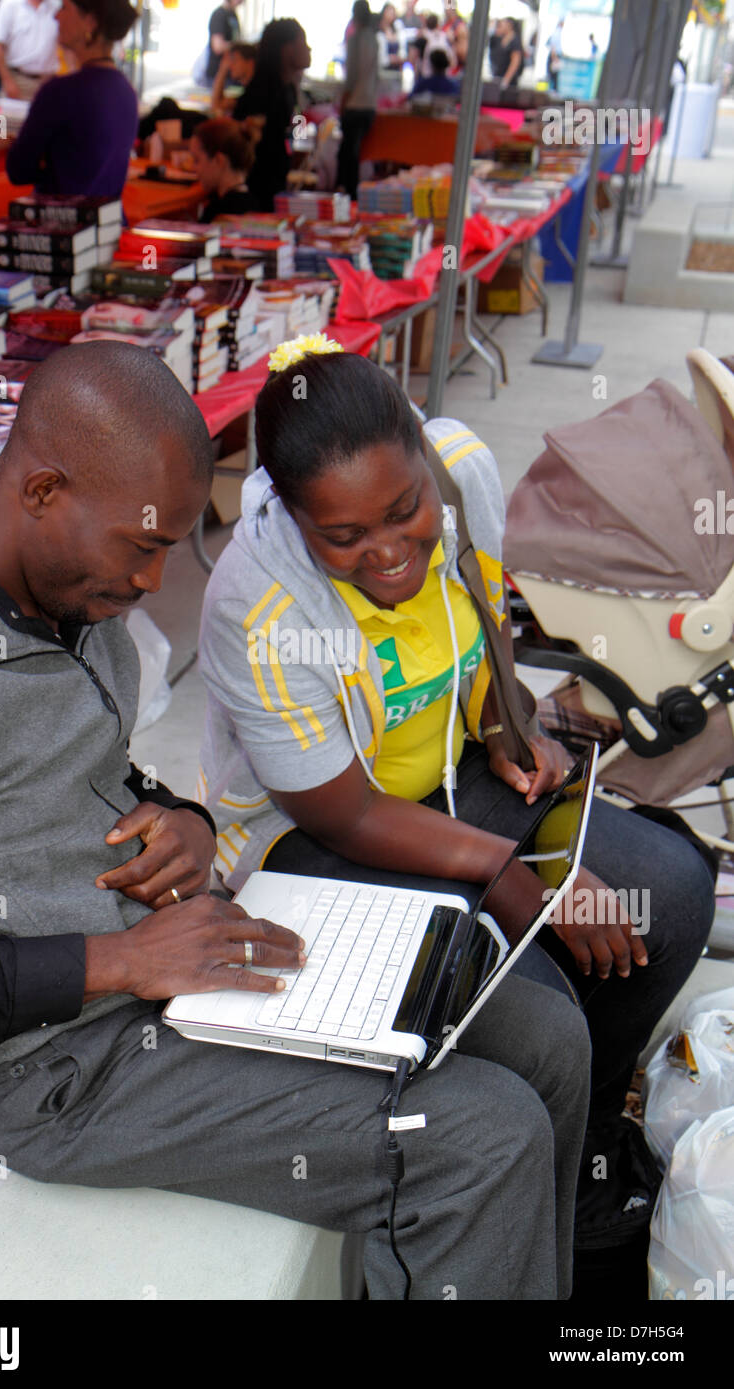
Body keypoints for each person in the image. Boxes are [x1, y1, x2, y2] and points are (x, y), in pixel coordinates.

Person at [0, 340, 591, 1301]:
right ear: (43, 491)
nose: (153, 579)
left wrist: (182, 819)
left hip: (189, 963)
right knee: (480, 1139)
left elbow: (85, 773)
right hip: (60, 1068)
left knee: (544, 1036)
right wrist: (116, 962)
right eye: (145, 546)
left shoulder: (58, 586)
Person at [196, 341, 714, 1143]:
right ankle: (542, 1183)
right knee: (537, 1012)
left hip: (447, 785)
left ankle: (592, 1147)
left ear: (422, 456)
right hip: (319, 839)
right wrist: (514, 879)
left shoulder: (462, 471)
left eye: (405, 511)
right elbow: (342, 816)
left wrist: (511, 719)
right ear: (292, 515)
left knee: (672, 892)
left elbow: (483, 605)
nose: (389, 552)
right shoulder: (257, 605)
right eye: (344, 536)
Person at [5, 0, 138, 198]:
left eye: (64, 8)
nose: (56, 16)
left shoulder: (60, 92)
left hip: (60, 222)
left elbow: (18, 169)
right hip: (108, 223)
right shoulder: (126, 91)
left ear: (90, 22)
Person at [232, 17, 311, 213]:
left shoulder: (288, 88)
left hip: (275, 184)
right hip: (257, 192)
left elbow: (297, 129)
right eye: (303, 42)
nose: (309, 49)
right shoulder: (262, 92)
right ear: (287, 49)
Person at [337, 0, 379, 201]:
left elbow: (352, 77)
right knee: (355, 153)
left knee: (348, 156)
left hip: (355, 104)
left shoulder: (356, 40)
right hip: (369, 105)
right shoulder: (374, 39)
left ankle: (349, 194)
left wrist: (343, 101)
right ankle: (352, 194)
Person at [0, 0, 59, 103]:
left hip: (49, 82)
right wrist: (7, 81)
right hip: (18, 80)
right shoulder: (10, 4)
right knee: (10, 118)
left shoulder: (56, 5)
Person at [189, 117, 256, 221]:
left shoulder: (220, 216)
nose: (193, 167)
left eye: (197, 160)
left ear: (220, 160)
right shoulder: (253, 205)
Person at [210, 38, 255, 114]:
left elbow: (217, 105)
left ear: (250, 62)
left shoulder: (255, 92)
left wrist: (222, 71)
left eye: (234, 60)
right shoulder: (252, 89)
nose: (230, 65)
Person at [204, 0, 242, 84]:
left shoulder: (233, 14)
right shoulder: (219, 14)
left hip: (231, 73)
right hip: (218, 73)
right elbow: (218, 47)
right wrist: (239, 46)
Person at [490, 15, 523, 92]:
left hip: (508, 82)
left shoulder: (515, 41)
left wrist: (506, 80)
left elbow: (515, 62)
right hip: (498, 76)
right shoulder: (500, 38)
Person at [547, 17, 564, 93]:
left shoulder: (561, 32)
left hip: (557, 56)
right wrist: (555, 58)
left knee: (555, 77)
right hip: (555, 56)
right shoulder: (557, 32)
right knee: (553, 76)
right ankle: (552, 92)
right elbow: (553, 47)